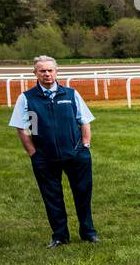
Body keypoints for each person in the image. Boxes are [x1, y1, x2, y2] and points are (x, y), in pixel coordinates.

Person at [10, 55, 98, 246]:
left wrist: (85, 144)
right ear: (35, 73)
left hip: (76, 155)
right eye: (42, 71)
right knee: (52, 198)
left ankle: (88, 232)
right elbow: (23, 128)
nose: (47, 74)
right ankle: (60, 236)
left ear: (56, 72)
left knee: (83, 194)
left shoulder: (70, 94)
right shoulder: (27, 99)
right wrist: (33, 153)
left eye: (50, 70)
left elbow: (84, 120)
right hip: (45, 157)